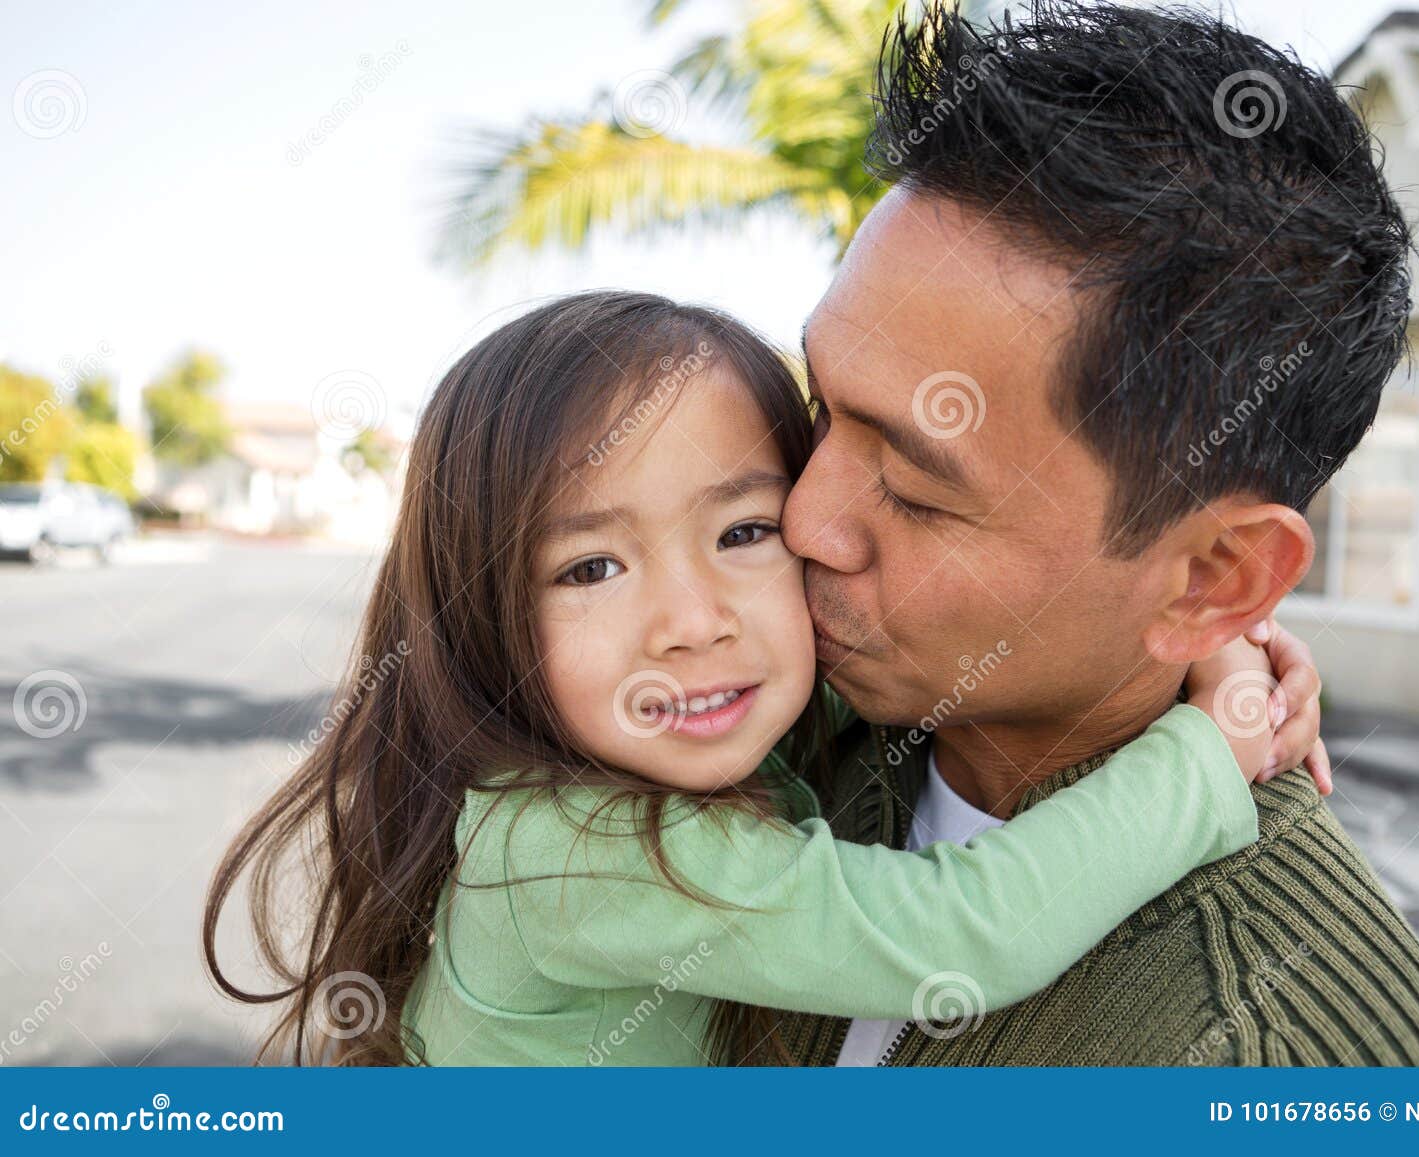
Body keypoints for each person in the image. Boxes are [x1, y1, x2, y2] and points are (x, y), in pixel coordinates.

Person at [200, 290, 1325, 1066]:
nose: (695, 623)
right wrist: (1212, 746)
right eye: (591, 565)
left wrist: (1203, 633)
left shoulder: (702, 721)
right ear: (483, 620)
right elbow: (955, 935)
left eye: (742, 531)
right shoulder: (571, 848)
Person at [770, 2, 1419, 1066]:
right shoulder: (761, 721)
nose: (800, 520)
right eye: (819, 410)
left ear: (1215, 578)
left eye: (917, 490)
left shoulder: (1271, 1056)